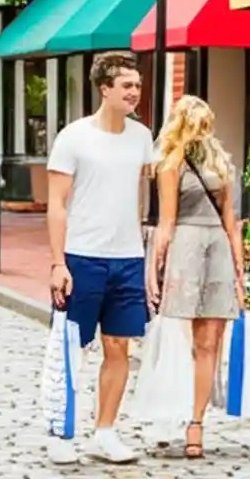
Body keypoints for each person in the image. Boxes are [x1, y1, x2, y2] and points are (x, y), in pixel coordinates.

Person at [45, 51, 156, 465]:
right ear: (104, 88)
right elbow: (56, 204)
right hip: (82, 257)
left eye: (138, 85)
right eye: (127, 85)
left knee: (119, 348)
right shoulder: (74, 137)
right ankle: (61, 431)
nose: (135, 92)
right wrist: (58, 262)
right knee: (72, 348)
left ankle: (105, 431)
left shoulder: (142, 137)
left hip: (127, 258)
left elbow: (150, 194)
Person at [146, 94, 246, 459]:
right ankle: (167, 410)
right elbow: (167, 220)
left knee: (210, 340)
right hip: (185, 245)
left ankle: (196, 422)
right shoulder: (169, 163)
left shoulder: (222, 163)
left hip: (217, 246)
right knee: (176, 335)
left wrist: (239, 271)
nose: (203, 132)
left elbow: (230, 220)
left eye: (207, 125)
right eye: (197, 124)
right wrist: (156, 266)